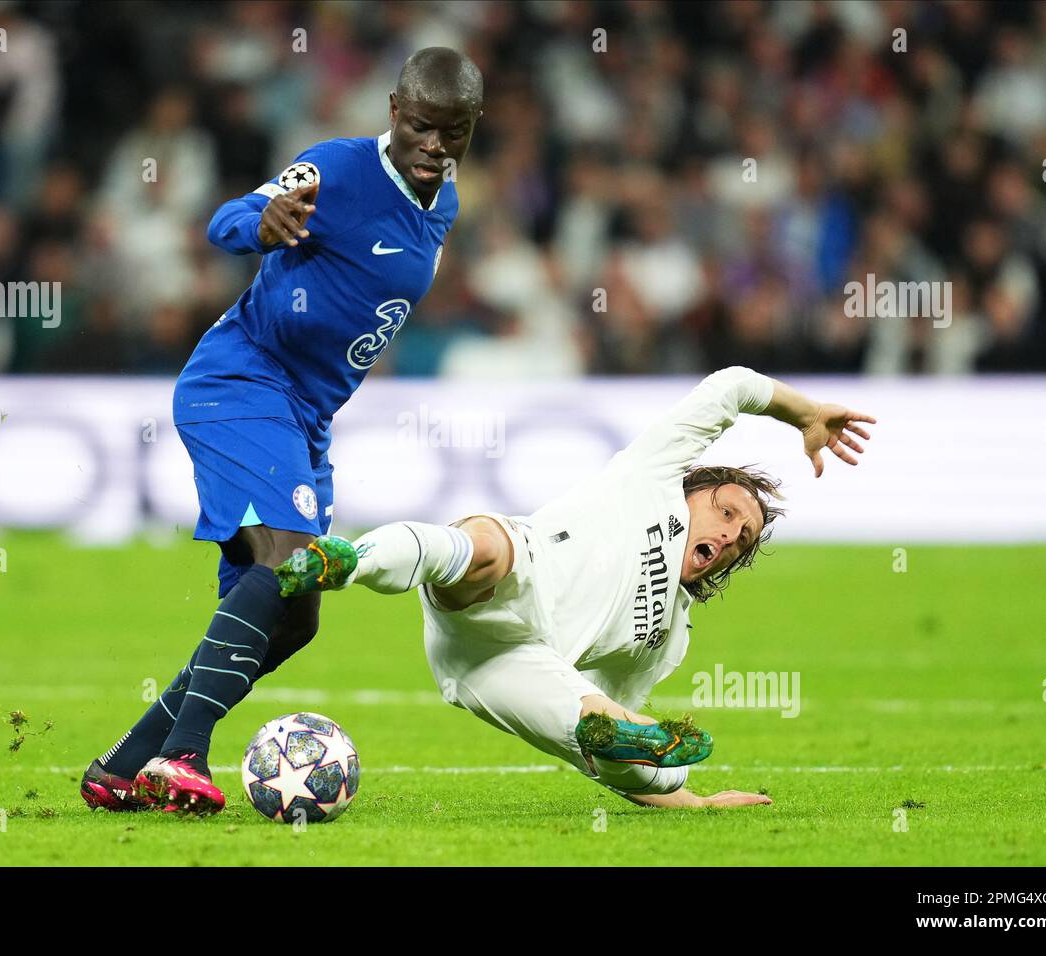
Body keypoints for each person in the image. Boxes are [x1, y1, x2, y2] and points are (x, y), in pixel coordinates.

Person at [80, 48, 485, 815]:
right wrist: (260, 225)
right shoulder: (335, 169)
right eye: (424, 128)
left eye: (454, 133)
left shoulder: (446, 200)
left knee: (296, 617)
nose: (437, 146)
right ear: (395, 111)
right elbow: (225, 221)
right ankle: (183, 756)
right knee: (293, 562)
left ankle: (122, 767)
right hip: (243, 380)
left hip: (305, 420)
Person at [277, 367, 875, 808]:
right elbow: (735, 386)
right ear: (695, 491)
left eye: (741, 540)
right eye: (724, 511)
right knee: (482, 548)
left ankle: (616, 738)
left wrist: (692, 800)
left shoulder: (669, 637)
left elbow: (620, 724)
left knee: (610, 735)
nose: (728, 534)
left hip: (501, 663)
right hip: (522, 570)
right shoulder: (655, 474)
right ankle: (344, 562)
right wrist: (804, 412)